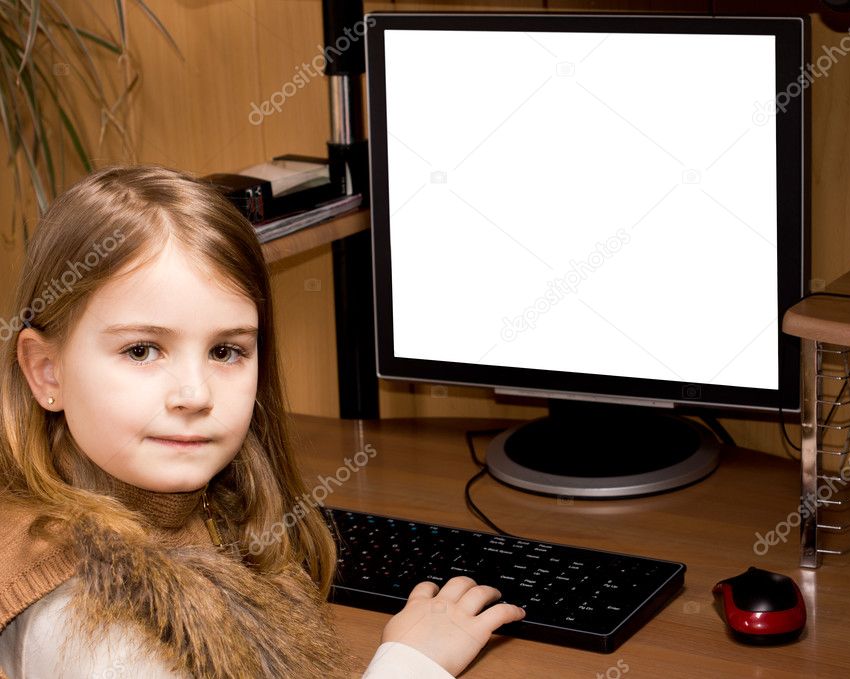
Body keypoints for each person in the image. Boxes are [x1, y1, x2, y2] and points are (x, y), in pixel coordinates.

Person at [0, 165, 525, 678]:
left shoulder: (210, 503)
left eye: (226, 351)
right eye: (141, 350)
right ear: (47, 373)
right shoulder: (89, 626)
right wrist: (413, 662)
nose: (195, 394)